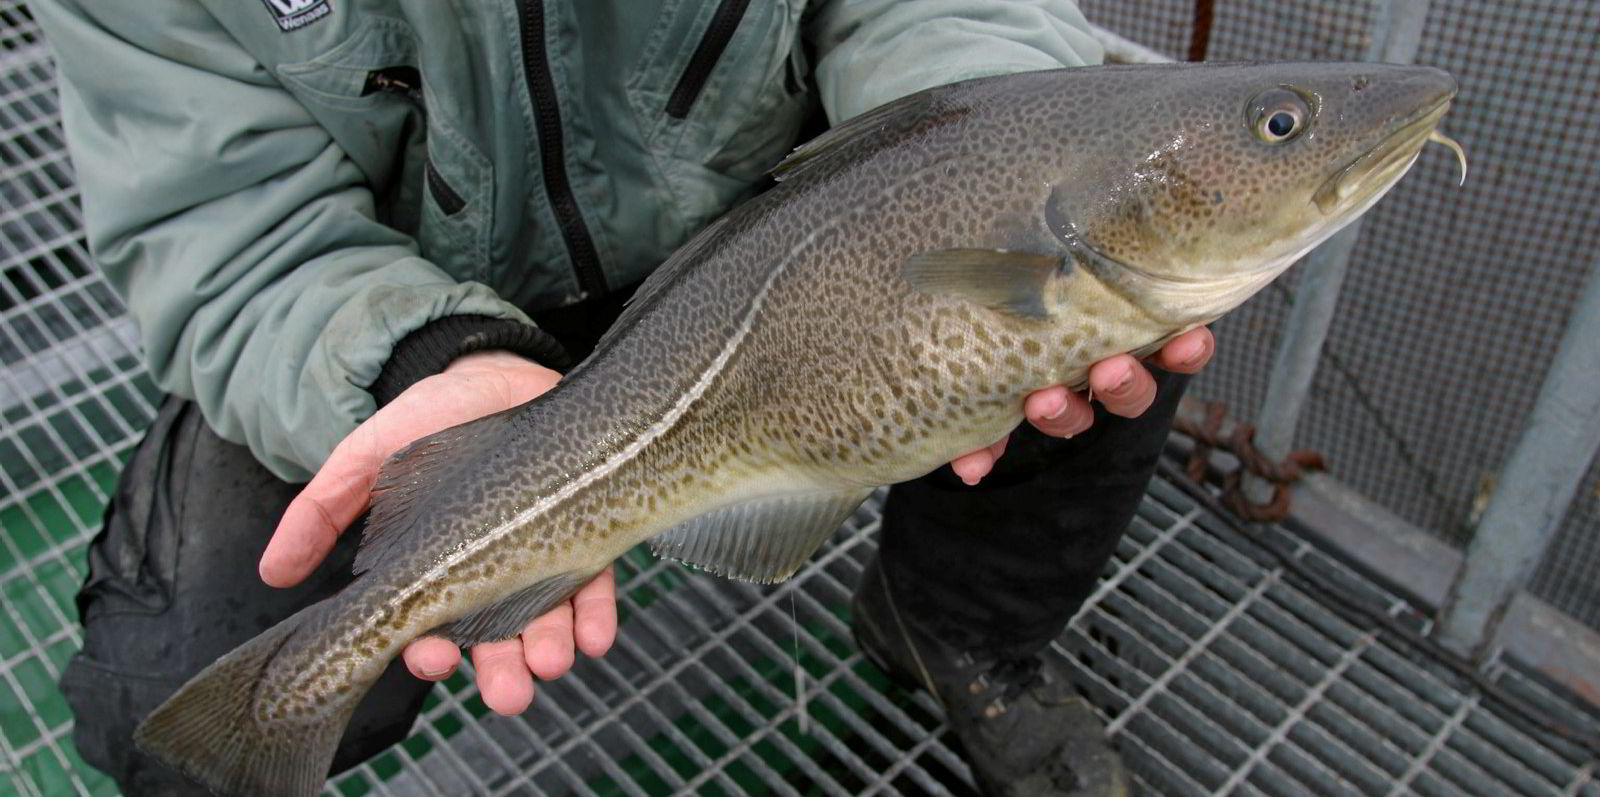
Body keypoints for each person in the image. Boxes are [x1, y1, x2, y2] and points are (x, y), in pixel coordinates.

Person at [32, 2, 1213, 795]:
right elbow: (227, 223)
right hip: (396, 307)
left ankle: (956, 630)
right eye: (1274, 129)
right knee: (174, 671)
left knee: (1099, 352)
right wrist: (419, 360)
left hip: (752, 251)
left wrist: (1000, 163)